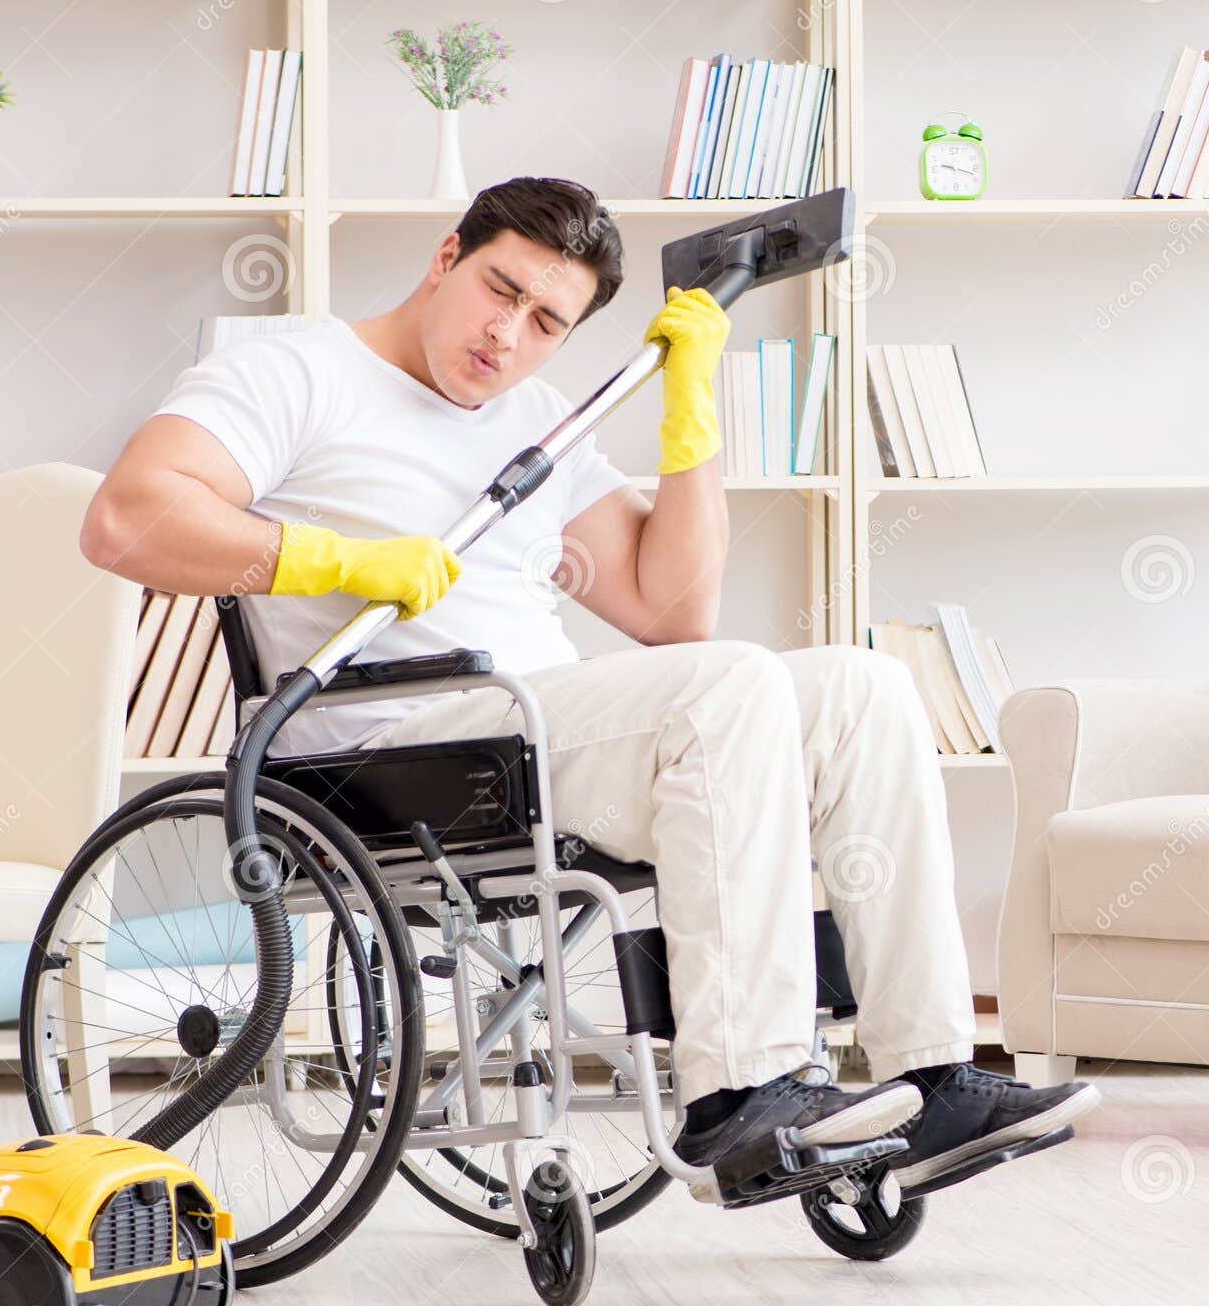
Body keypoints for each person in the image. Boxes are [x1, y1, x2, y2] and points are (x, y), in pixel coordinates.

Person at [80, 175, 1098, 1202]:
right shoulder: (298, 371)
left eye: (545, 321)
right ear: (445, 256)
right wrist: (332, 557)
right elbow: (125, 519)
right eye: (499, 290)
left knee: (862, 688)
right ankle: (741, 1092)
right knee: (725, 685)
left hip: (540, 740)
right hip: (390, 754)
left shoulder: (538, 420)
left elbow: (672, 611)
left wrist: (690, 414)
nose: (506, 334)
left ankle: (933, 1077)